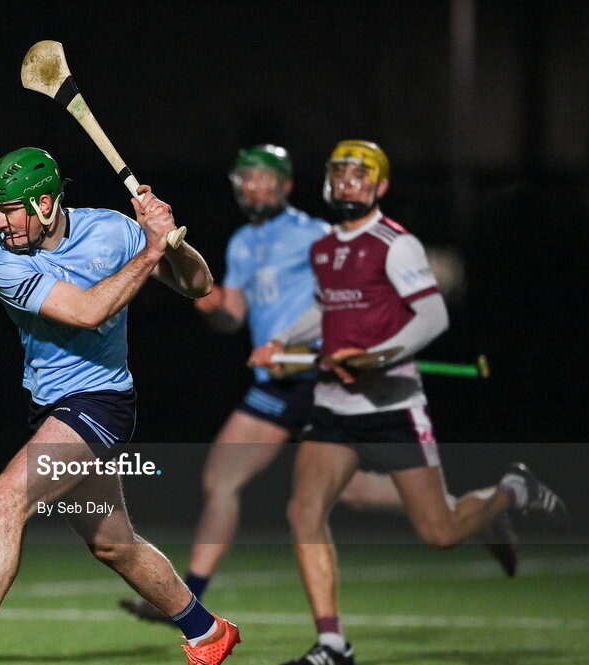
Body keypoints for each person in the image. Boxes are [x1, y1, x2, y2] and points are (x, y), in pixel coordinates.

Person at [0, 147, 239, 665]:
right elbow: (87, 311)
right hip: (52, 406)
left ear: (45, 204)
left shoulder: (114, 232)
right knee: (115, 547)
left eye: (9, 211)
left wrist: (170, 238)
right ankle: (208, 634)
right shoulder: (3, 263)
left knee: (7, 498)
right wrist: (149, 251)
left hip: (101, 402)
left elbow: (198, 285)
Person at [120, 145, 516, 625]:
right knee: (224, 478)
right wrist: (186, 278)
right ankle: (189, 599)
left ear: (286, 185)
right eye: (245, 177)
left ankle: (473, 510)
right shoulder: (243, 242)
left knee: (343, 493)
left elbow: (354, 300)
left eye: (264, 177)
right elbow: (232, 315)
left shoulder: (317, 235)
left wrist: (325, 350)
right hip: (275, 380)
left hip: (320, 378)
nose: (253, 185)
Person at [249, 140, 569, 665]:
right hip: (333, 404)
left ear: (379, 185)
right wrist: (282, 342)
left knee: (439, 533)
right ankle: (332, 643)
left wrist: (375, 357)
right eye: (341, 173)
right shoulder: (325, 247)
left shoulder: (396, 245)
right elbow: (325, 313)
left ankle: (511, 491)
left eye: (359, 174)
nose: (348, 182)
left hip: (391, 404)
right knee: (304, 511)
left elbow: (432, 319)